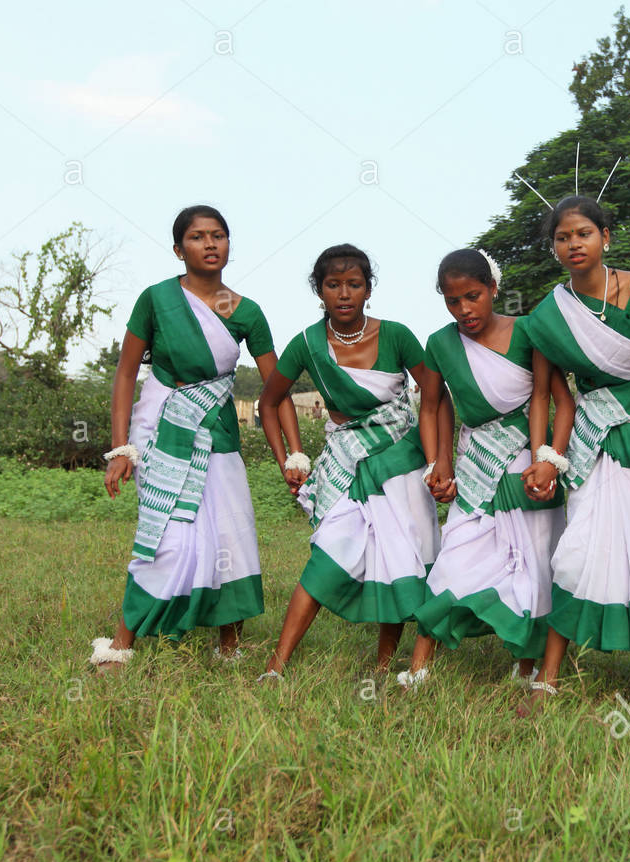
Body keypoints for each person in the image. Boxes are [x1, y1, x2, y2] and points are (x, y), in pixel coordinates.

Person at [518, 195, 630, 715]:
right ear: (554, 248)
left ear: (605, 237)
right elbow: (548, 396)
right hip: (591, 443)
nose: (573, 244)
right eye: (562, 237)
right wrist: (544, 454)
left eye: (583, 234)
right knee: (578, 551)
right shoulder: (547, 317)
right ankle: (547, 678)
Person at [91, 205, 283, 670]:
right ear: (179, 249)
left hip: (218, 433)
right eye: (198, 237)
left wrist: (291, 455)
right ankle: (121, 643)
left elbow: (275, 388)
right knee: (166, 536)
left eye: (219, 235)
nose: (211, 244)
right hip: (161, 429)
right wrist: (121, 450)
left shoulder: (246, 312)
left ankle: (230, 646)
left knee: (229, 537)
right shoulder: (157, 300)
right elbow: (125, 374)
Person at [255, 243, 443, 678]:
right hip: (346, 460)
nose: (344, 293)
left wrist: (436, 461)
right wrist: (291, 458)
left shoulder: (396, 334)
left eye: (354, 284)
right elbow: (270, 402)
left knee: (397, 557)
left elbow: (435, 396)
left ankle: (383, 664)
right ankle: (276, 665)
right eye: (333, 285)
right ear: (319, 291)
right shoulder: (307, 344)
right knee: (327, 555)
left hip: (401, 461)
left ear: (368, 289)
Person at [398, 249, 574, 688]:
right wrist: (438, 463)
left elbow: (559, 400)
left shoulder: (529, 331)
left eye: (473, 297)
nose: (464, 310)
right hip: (475, 465)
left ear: (494, 289)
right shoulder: (440, 344)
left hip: (526, 466)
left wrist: (546, 461)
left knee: (533, 562)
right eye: (452, 301)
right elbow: (434, 406)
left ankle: (527, 666)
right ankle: (418, 669)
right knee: (453, 559)